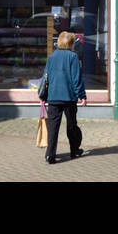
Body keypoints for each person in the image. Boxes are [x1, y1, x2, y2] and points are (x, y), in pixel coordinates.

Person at [40, 31, 87, 163]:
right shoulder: (73, 57)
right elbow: (76, 79)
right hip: (69, 97)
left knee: (53, 126)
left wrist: (42, 94)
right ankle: (74, 150)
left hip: (53, 97)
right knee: (72, 125)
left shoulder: (52, 56)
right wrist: (82, 95)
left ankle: (50, 155)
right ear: (71, 43)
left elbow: (45, 77)